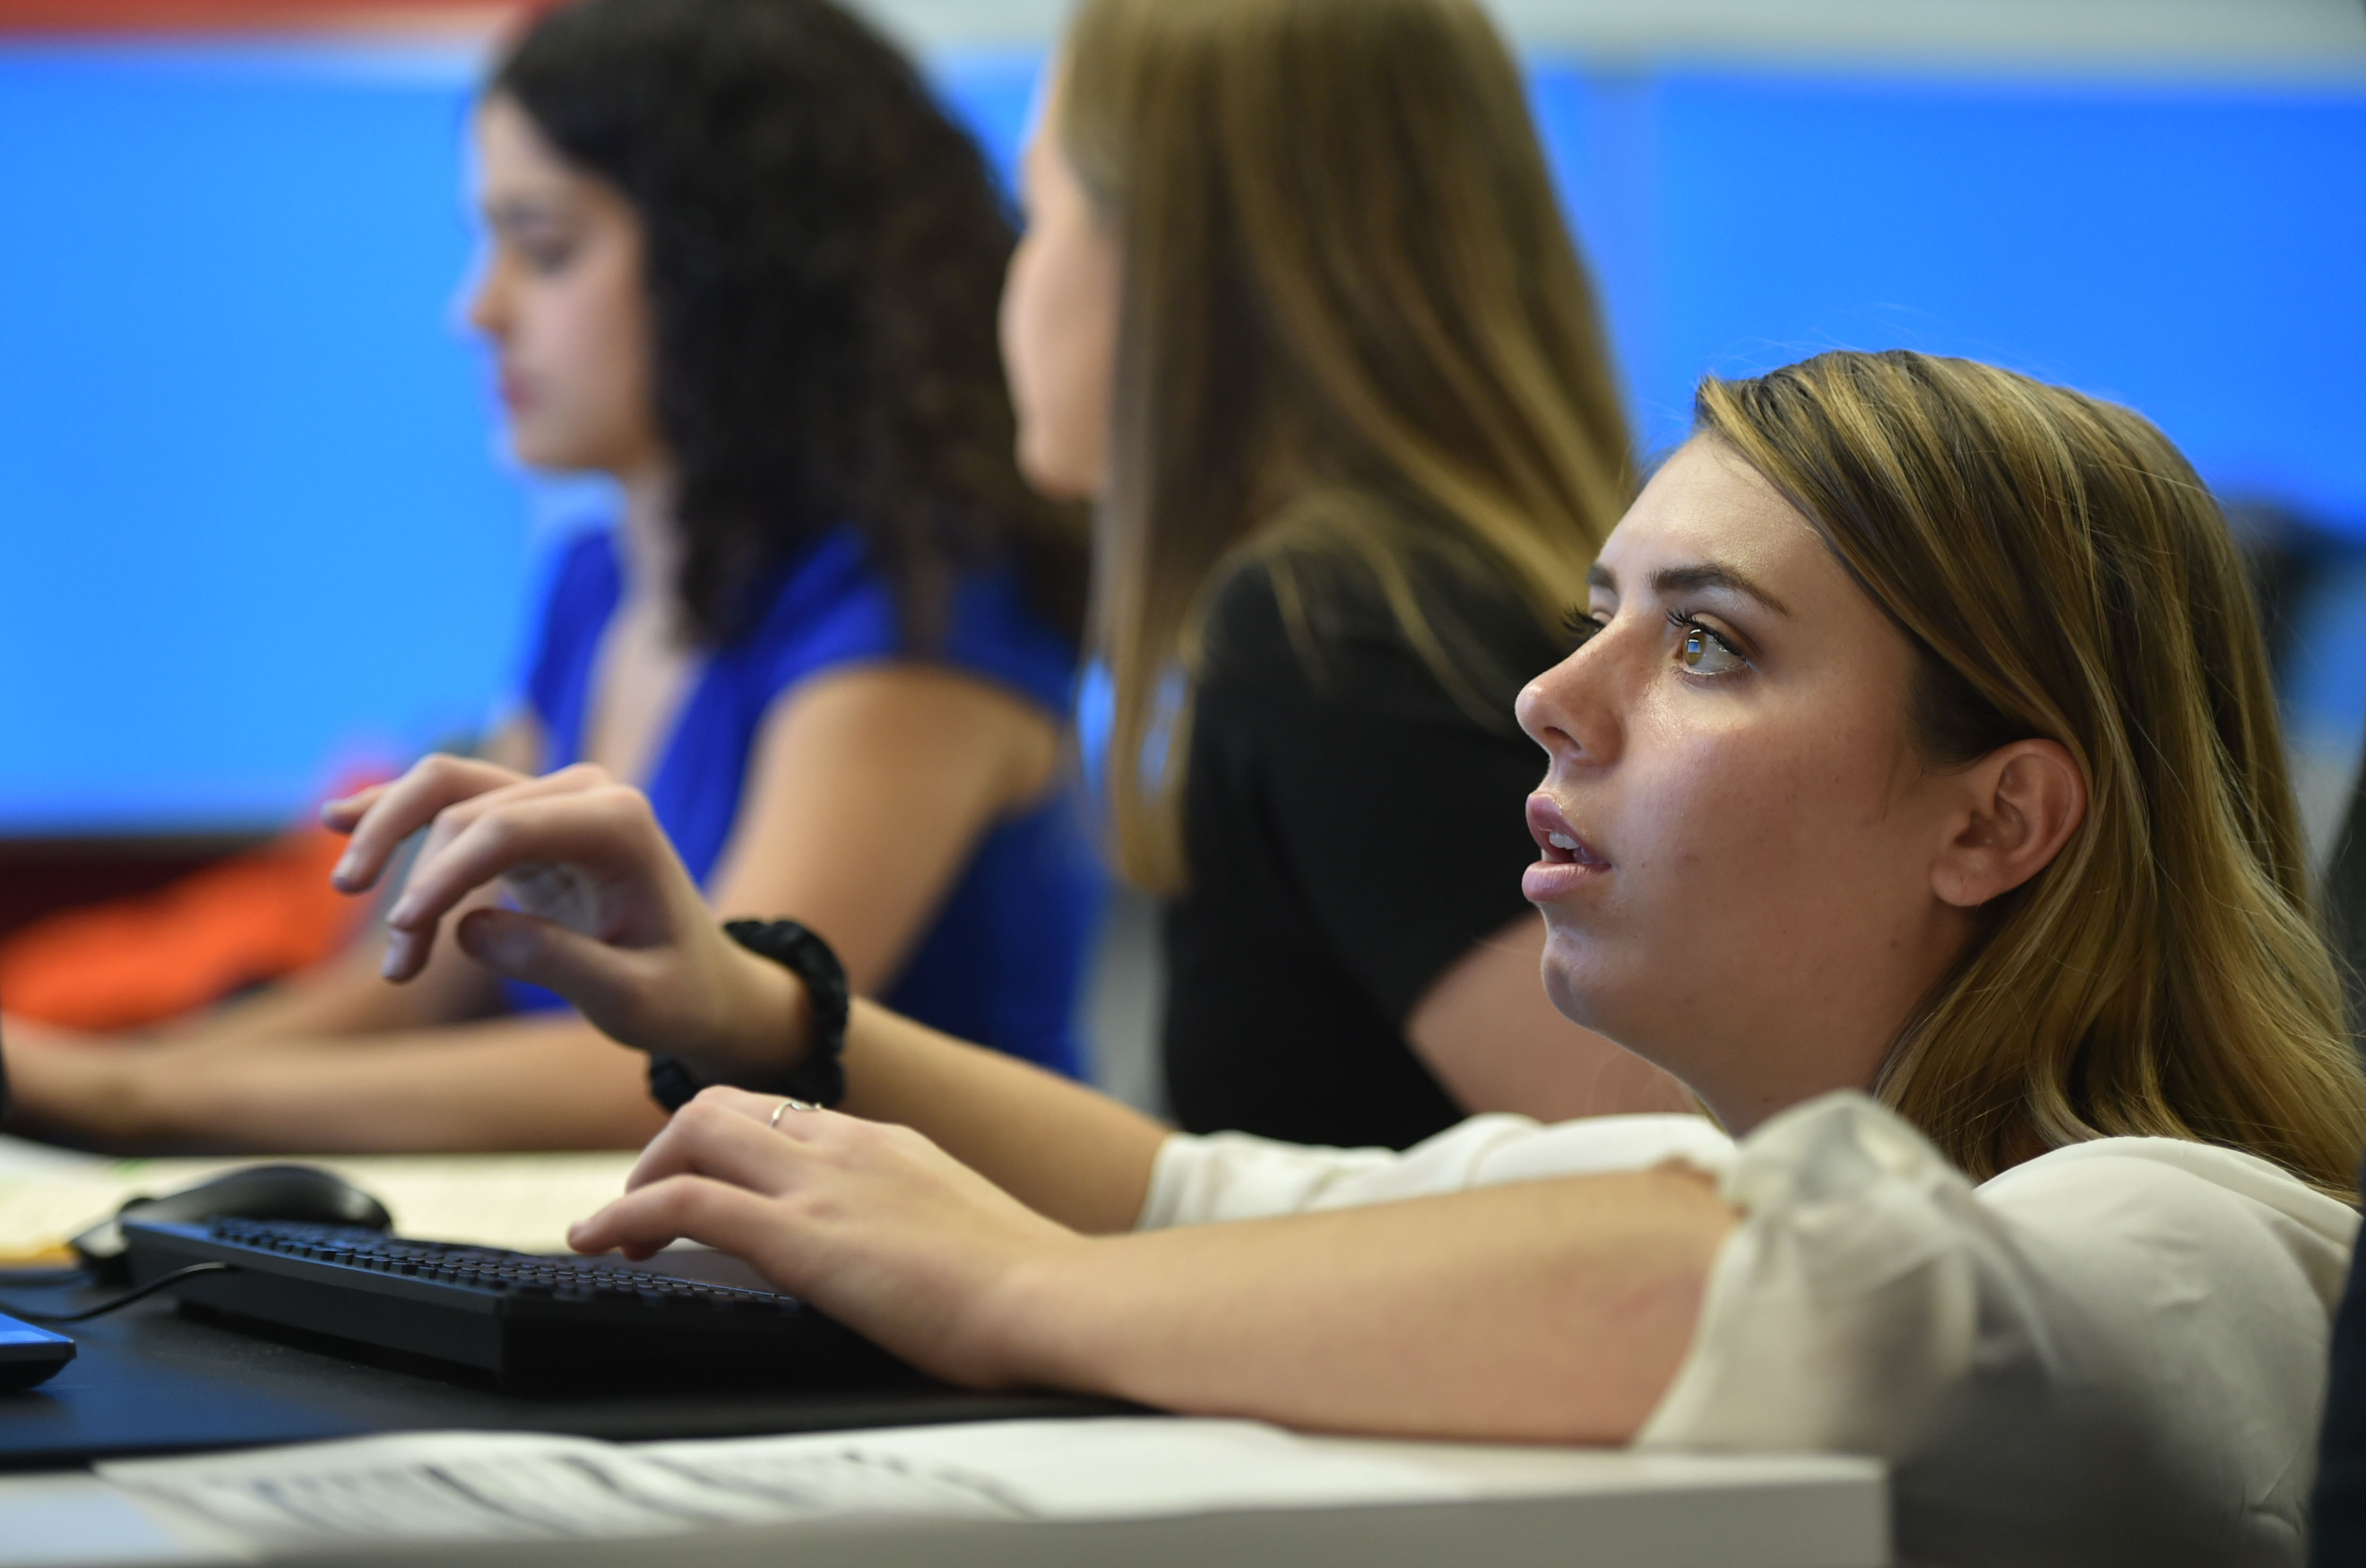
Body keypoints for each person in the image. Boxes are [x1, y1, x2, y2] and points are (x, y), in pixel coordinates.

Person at [332, 351, 2364, 1565]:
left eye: (1709, 644)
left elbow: (1742, 1278)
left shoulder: (2204, 1238)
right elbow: (1199, 1188)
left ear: (1993, 818)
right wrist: (740, 1003)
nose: (1552, 696)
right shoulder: (1768, 1166)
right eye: (1597, 612)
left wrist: (1013, 1284)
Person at [0, 0, 1095, 1151]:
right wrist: (80, 1082)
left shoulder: (920, 607)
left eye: (547, 247)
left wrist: (131, 1101)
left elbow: (707, 1062)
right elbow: (411, 988)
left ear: (734, 262)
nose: (479, 308)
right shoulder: (596, 585)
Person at [1009, 0, 1687, 1143]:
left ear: (1175, 262)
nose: (1018, 277)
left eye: (1039, 210)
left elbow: (1678, 1171)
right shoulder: (1413, 595)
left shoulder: (1338, 634)